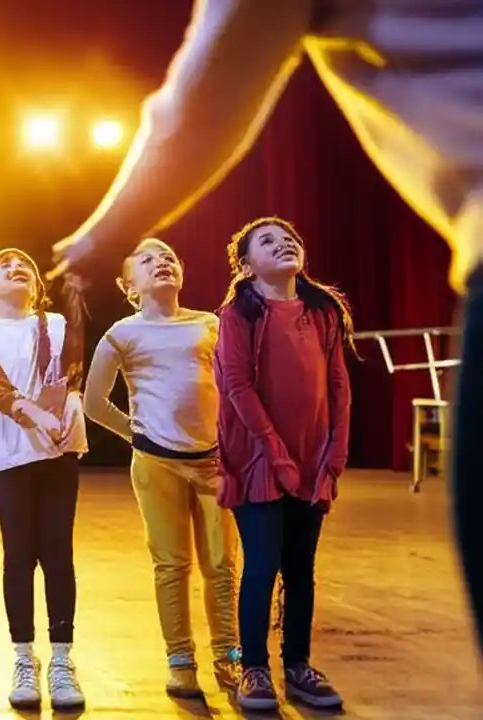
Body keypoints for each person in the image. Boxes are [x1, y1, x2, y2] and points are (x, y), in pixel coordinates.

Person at [46, 0, 483, 650]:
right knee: (203, 564)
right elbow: (184, 393)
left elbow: (202, 103)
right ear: (242, 266)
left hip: (273, 460)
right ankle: (227, 660)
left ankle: (260, 657)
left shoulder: (271, 318)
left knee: (263, 567)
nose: (162, 261)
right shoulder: (181, 326)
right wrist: (149, 434)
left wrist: (99, 241)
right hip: (216, 461)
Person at [83, 238, 240, 697]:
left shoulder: (210, 324)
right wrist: (139, 434)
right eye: (148, 261)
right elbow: (94, 403)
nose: (163, 262)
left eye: (170, 256)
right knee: (171, 565)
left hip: (213, 462)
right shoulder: (122, 333)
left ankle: (228, 657)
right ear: (129, 285)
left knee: (222, 563)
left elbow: (233, 385)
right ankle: (181, 662)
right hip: (157, 463)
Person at [214, 218, 353, 712]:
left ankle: (298, 665)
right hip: (258, 459)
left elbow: (339, 387)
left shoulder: (323, 311)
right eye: (267, 241)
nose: (283, 243)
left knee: (301, 569)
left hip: (312, 459)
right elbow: (237, 386)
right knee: (263, 564)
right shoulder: (239, 315)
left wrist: (332, 457)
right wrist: (275, 452)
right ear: (246, 264)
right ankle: (253, 667)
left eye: (290, 236)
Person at [0, 248, 88, 711]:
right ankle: (23, 657)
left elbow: (69, 371)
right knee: (19, 554)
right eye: (4, 266)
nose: (17, 268)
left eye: (26, 267)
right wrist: (35, 414)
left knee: (58, 551)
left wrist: (55, 417)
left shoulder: (56, 324)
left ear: (36, 286)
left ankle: (60, 660)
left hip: (59, 447)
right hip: (13, 452)